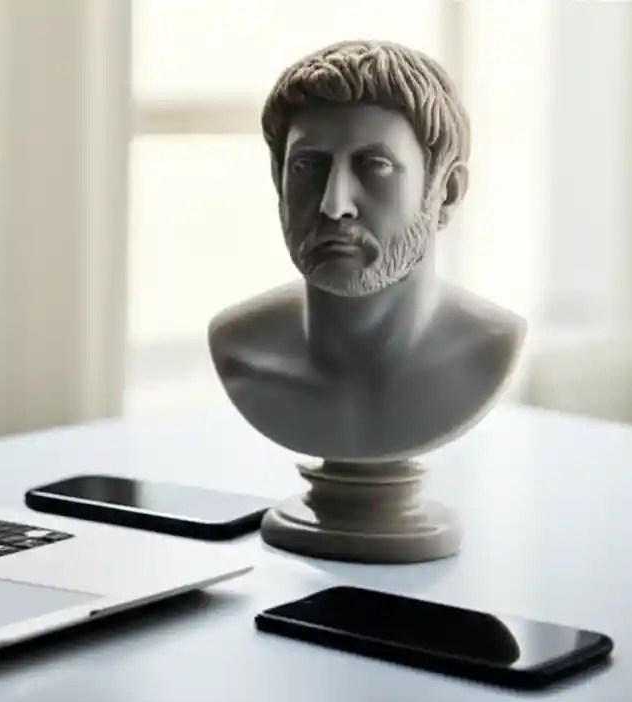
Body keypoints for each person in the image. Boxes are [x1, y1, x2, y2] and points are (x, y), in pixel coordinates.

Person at [209, 40, 525, 463]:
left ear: (445, 193)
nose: (334, 204)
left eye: (375, 166)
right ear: (278, 178)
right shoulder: (240, 349)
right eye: (307, 167)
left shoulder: (489, 349)